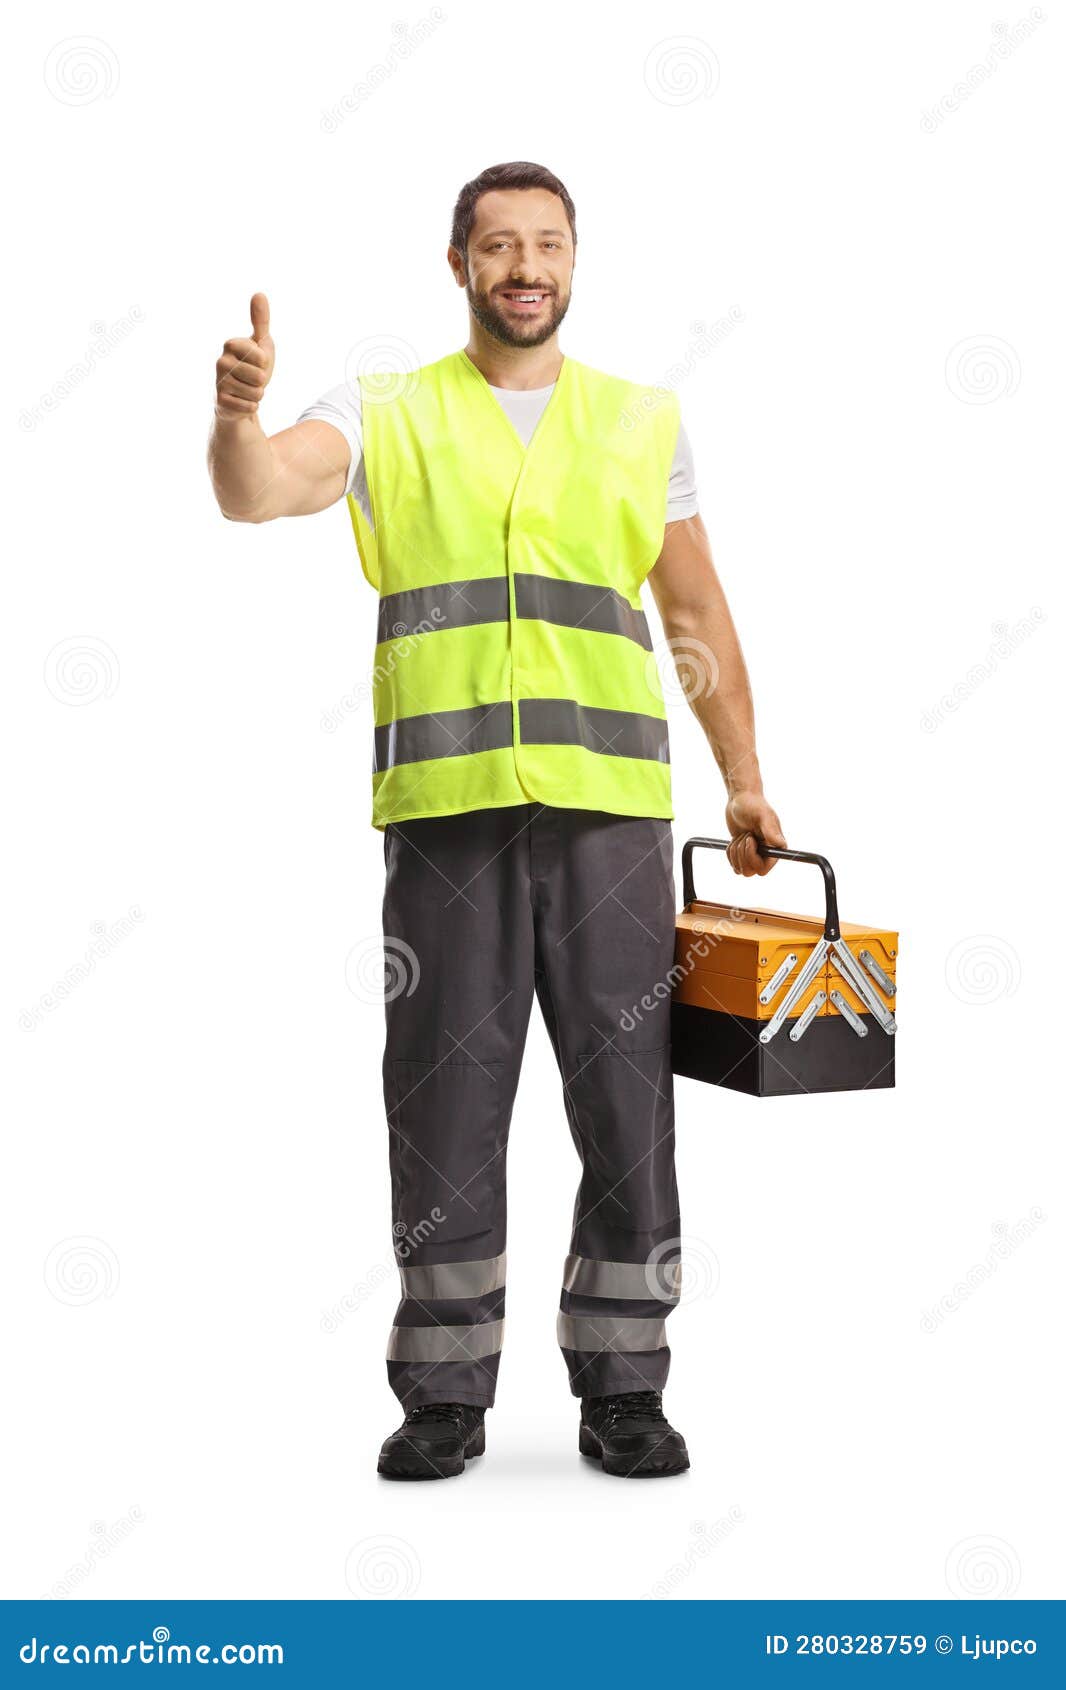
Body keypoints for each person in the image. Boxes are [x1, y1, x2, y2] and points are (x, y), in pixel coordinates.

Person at [208, 160, 786, 1481]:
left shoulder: (645, 419)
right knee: (441, 1097)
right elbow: (261, 492)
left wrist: (743, 773)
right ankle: (442, 1391)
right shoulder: (382, 408)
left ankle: (624, 1384)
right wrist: (236, 421)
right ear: (457, 263)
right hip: (448, 820)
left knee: (625, 1099)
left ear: (574, 263)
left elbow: (693, 614)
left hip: (610, 818)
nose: (525, 264)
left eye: (547, 243)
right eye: (498, 244)